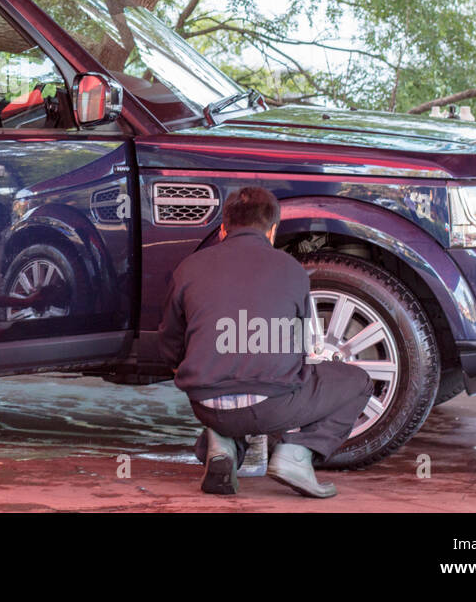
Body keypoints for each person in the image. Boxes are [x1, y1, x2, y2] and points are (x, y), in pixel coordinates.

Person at [157, 186, 374, 498]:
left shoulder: (188, 268)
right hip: (274, 408)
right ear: (272, 231)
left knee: (229, 378)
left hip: (206, 404)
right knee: (358, 381)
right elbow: (300, 350)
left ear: (222, 230)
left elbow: (170, 345)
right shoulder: (292, 270)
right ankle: (296, 455)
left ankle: (221, 445)